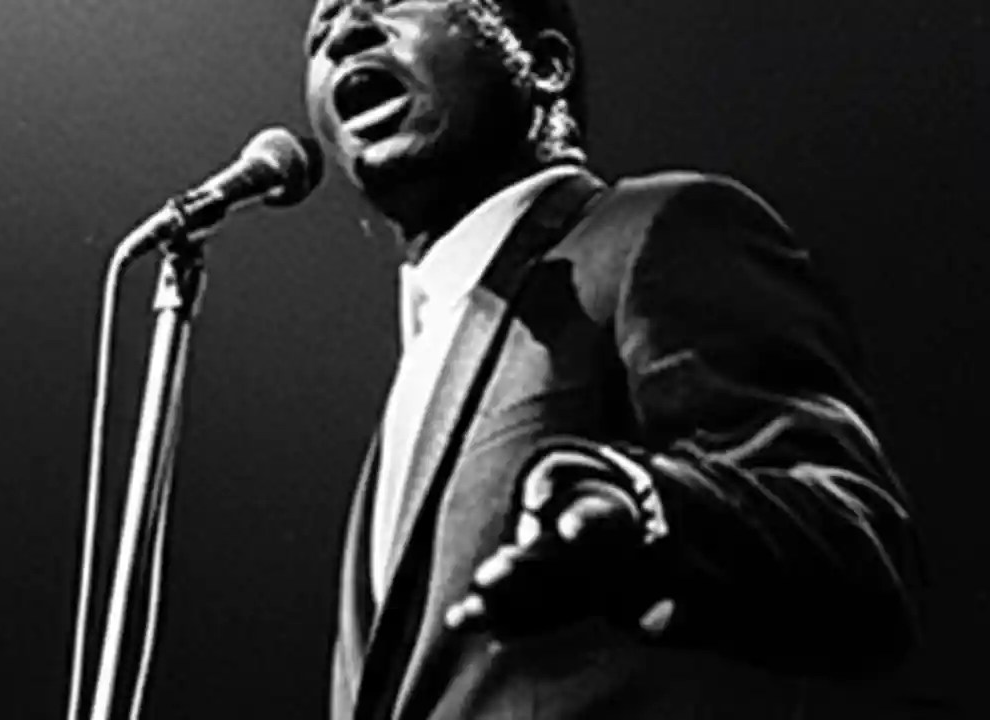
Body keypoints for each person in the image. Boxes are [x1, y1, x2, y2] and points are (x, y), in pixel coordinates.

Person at [303, 1, 921, 718]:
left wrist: (651, 514)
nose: (346, 33)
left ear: (542, 64)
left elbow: (857, 546)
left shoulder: (660, 230)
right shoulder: (415, 372)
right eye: (323, 30)